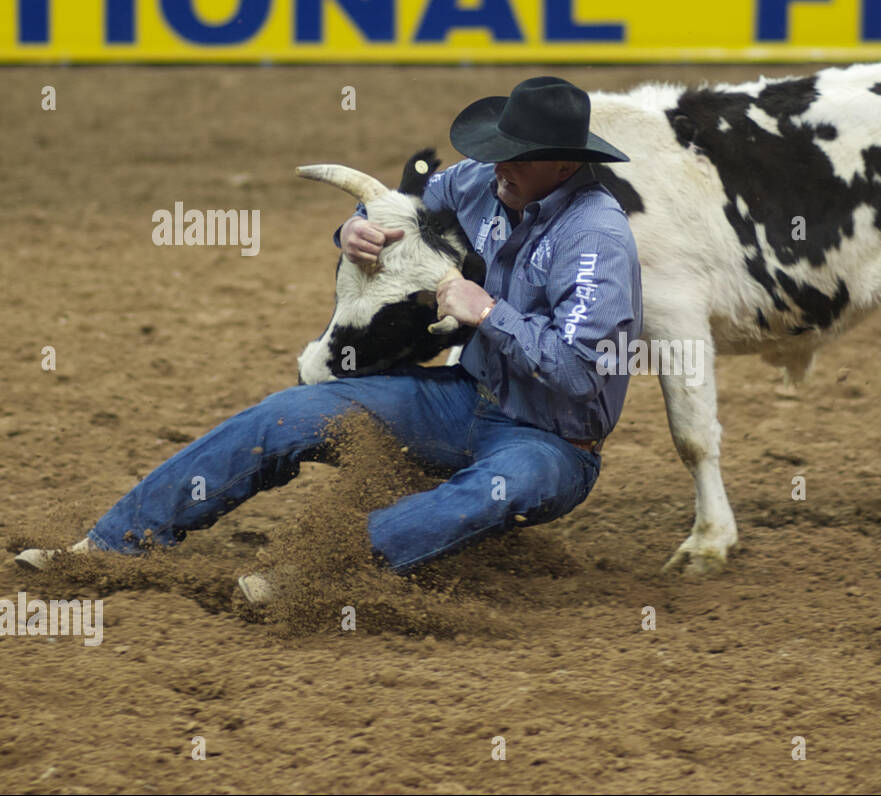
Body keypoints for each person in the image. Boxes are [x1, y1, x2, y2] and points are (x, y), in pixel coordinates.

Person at [16, 77, 643, 604]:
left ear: (565, 165)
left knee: (494, 488)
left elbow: (581, 371)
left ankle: (313, 573)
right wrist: (354, 231)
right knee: (288, 414)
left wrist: (489, 314)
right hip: (464, 397)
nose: (500, 164)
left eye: (519, 157)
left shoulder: (596, 238)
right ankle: (111, 545)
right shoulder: (483, 181)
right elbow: (393, 211)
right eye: (500, 149)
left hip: (553, 440)